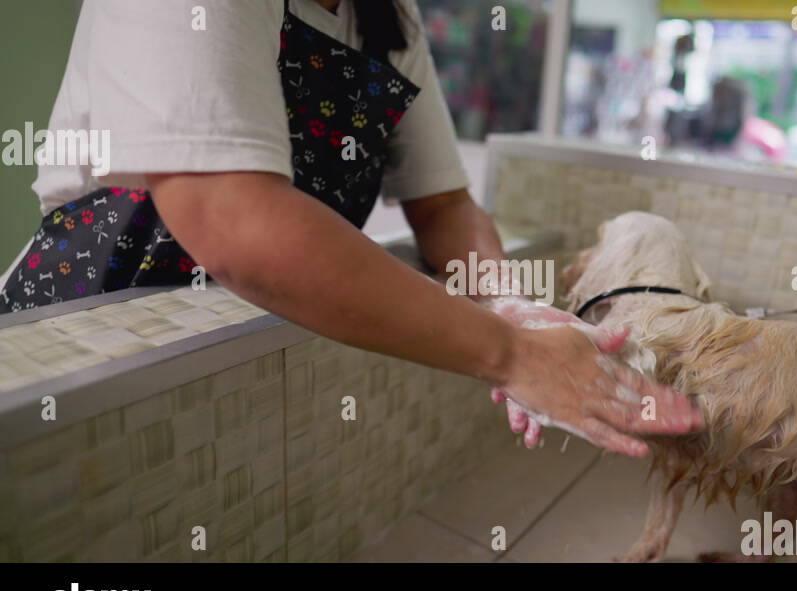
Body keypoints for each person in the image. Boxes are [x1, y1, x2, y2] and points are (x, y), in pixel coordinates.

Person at [0, 0, 701, 456]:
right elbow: (229, 214)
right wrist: (511, 353)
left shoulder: (387, 17)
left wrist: (512, 305)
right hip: (81, 339)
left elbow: (444, 206)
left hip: (236, 355)